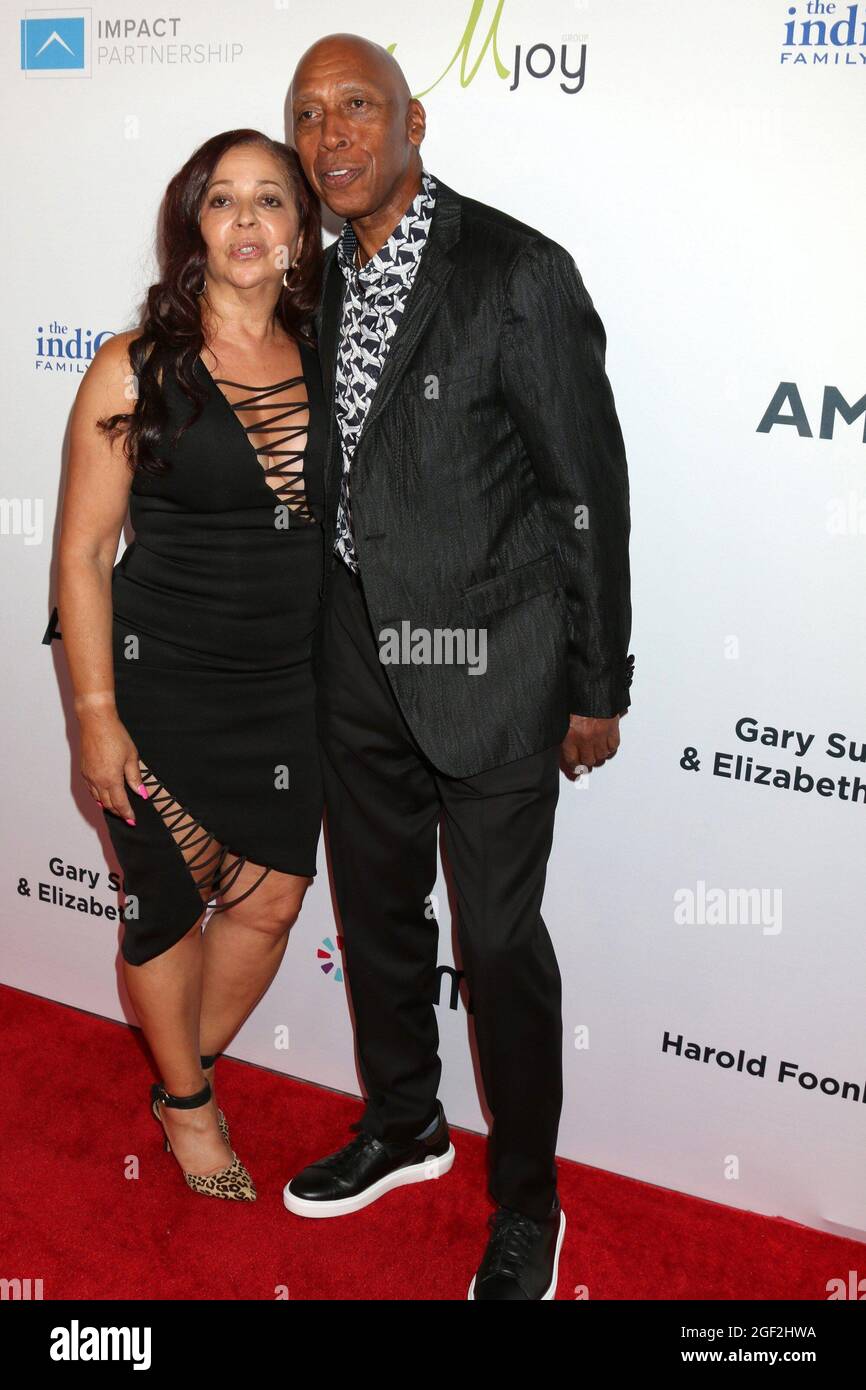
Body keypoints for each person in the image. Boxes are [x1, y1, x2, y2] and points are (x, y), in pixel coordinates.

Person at [282, 35, 635, 1299]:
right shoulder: (311, 285)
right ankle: (403, 1123)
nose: (332, 136)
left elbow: (582, 490)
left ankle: (527, 1201)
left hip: (491, 661)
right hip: (353, 658)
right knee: (374, 919)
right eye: (310, 115)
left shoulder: (513, 269)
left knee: (493, 942)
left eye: (357, 107)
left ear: (414, 120)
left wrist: (597, 681)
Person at [57, 129, 326, 1202]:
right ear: (194, 227)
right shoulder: (136, 365)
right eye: (225, 201)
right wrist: (93, 713)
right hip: (157, 681)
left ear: (302, 230)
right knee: (164, 905)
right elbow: (80, 552)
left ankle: (178, 1067)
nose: (249, 220)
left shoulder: (334, 359)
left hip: (290, 690)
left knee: (268, 900)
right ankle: (188, 1106)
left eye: (272, 199)